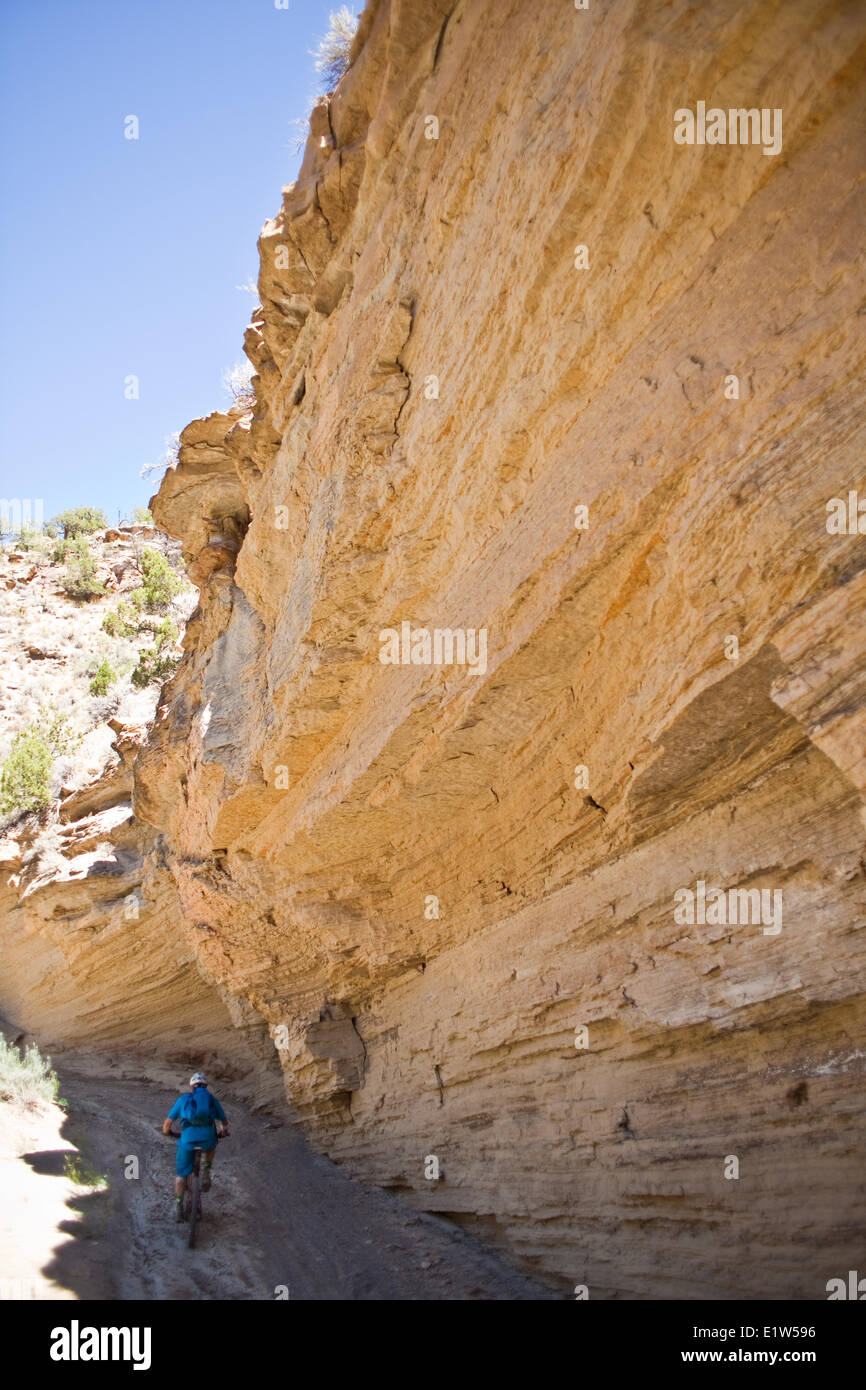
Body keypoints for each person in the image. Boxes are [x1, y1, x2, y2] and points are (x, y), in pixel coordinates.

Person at [162, 1072, 229, 1222]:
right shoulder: (211, 1099)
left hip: (187, 1140)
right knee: (212, 1144)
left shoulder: (184, 1099)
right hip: (208, 1139)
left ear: (192, 1087)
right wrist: (224, 1132)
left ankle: (179, 1208)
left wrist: (169, 1133)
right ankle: (206, 1171)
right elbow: (224, 1121)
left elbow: (167, 1124)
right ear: (205, 1086)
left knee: (181, 1176)